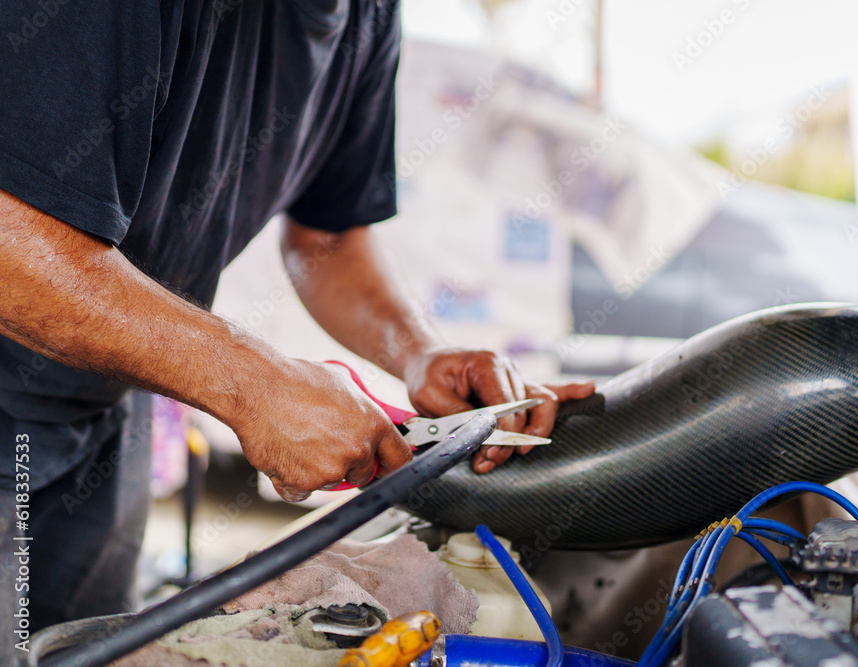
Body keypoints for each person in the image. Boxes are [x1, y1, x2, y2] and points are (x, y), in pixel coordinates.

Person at [0, 0, 594, 651]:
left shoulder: (366, 18)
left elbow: (330, 238)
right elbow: (12, 245)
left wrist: (421, 351)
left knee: (74, 649)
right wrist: (251, 383)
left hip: (105, 400)